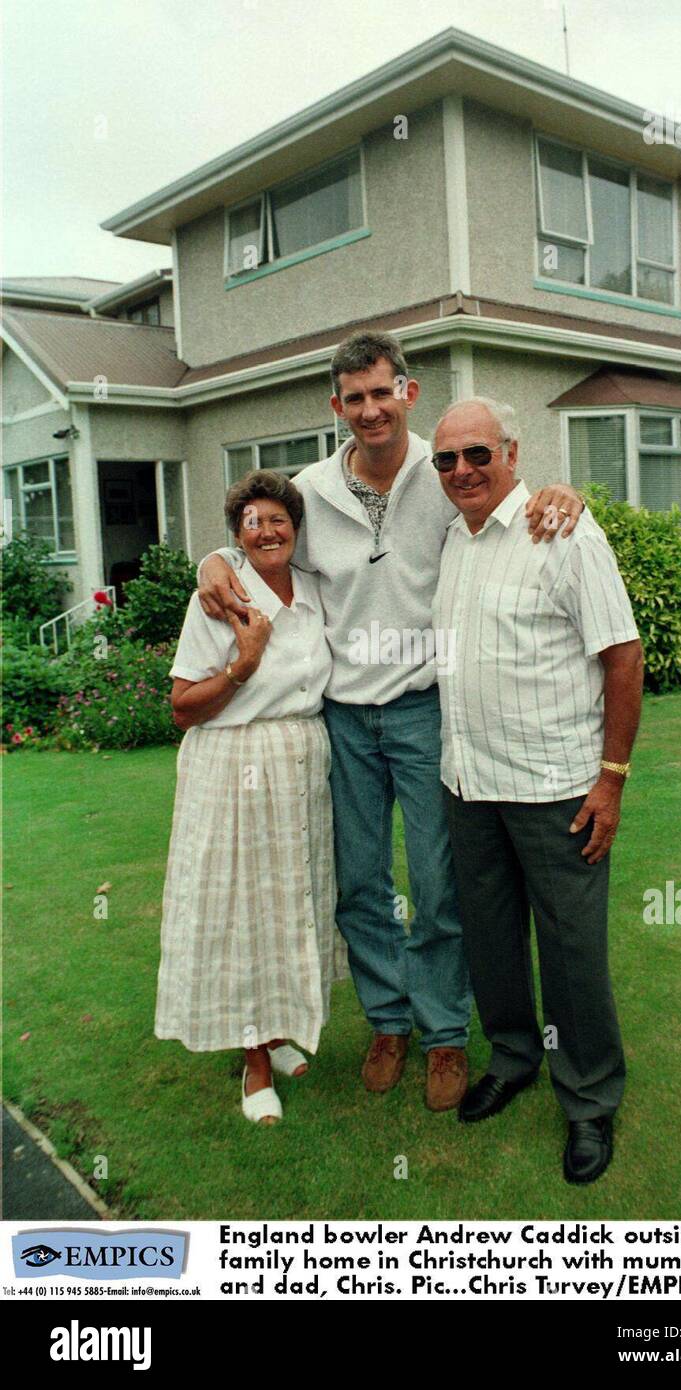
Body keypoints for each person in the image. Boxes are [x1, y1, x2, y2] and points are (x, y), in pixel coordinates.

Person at [197, 331, 584, 1112]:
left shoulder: (443, 471)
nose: (370, 409)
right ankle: (388, 1021)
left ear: (406, 393)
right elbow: (258, 542)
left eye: (383, 392)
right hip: (342, 717)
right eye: (354, 397)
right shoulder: (308, 490)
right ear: (334, 406)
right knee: (359, 884)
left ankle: (445, 1034)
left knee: (440, 887)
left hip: (424, 709)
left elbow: (506, 498)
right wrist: (211, 558)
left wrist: (561, 494)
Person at [432, 397, 643, 1184]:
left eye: (477, 454)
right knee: (489, 940)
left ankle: (588, 1100)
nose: (461, 471)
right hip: (469, 782)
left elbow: (621, 656)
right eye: (447, 459)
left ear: (512, 454)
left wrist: (610, 779)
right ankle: (515, 1057)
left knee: (571, 952)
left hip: (557, 788)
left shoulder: (563, 532)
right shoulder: (452, 538)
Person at [155, 470, 347, 1125]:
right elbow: (182, 708)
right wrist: (242, 660)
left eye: (278, 520)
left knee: (288, 906)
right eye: (251, 523)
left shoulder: (315, 589)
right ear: (235, 535)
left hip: (300, 764)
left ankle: (276, 1030)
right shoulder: (219, 596)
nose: (267, 531)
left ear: (295, 528)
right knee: (241, 911)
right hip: (234, 765)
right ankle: (253, 1060)